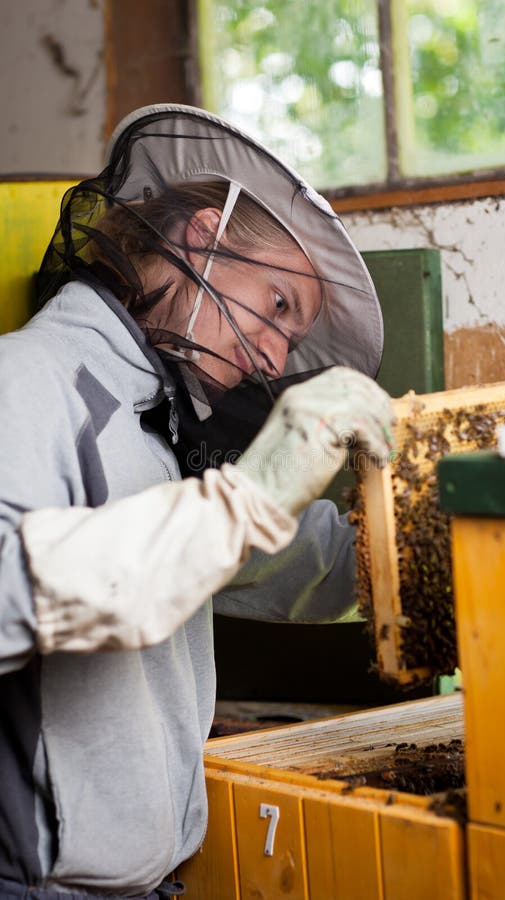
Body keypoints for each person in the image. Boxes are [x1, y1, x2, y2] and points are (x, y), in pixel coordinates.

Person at [0, 104, 394, 898]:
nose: (276, 357)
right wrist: (245, 501)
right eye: (279, 306)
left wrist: (426, 549)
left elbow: (287, 561)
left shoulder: (167, 423)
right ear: (204, 236)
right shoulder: (25, 378)